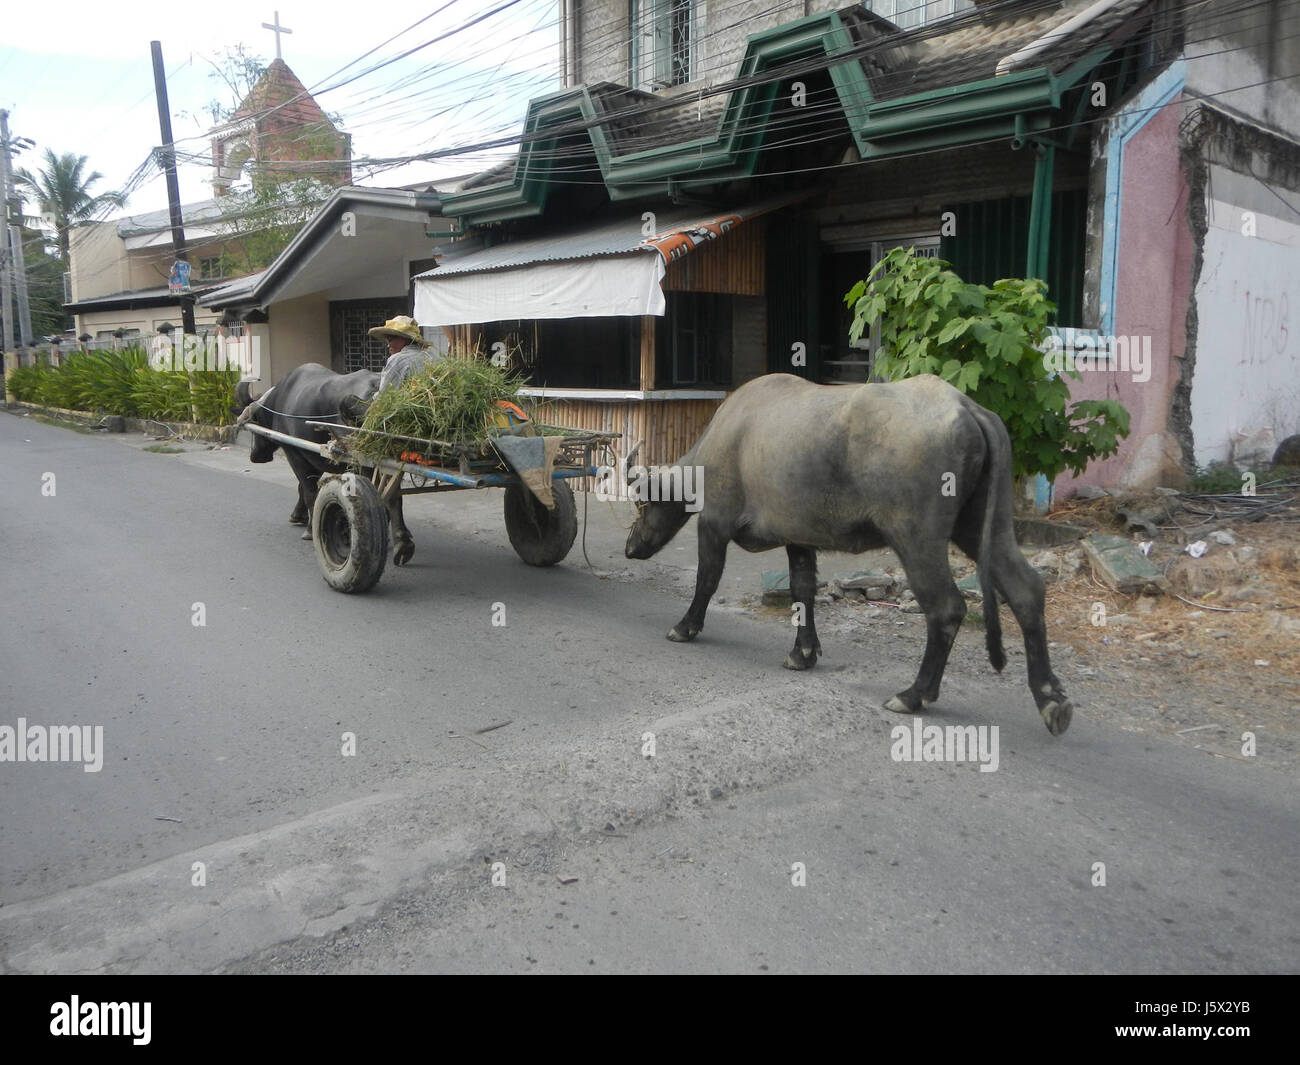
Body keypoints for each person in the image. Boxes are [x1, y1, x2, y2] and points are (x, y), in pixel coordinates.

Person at [369, 315, 443, 391]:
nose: (388, 345)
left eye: (390, 340)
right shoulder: (434, 357)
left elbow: (384, 394)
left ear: (403, 339)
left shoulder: (397, 360)